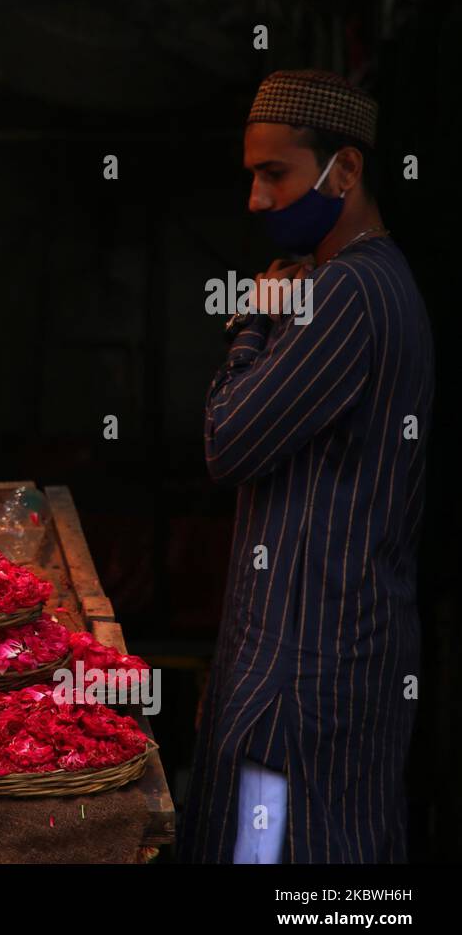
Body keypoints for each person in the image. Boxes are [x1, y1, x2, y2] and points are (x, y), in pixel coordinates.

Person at [180, 70, 434, 863]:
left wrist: (253, 322)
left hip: (304, 674)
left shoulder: (351, 292)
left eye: (275, 173)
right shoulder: (357, 283)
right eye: (253, 175)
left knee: (281, 862)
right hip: (322, 659)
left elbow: (228, 441)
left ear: (346, 171)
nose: (257, 200)